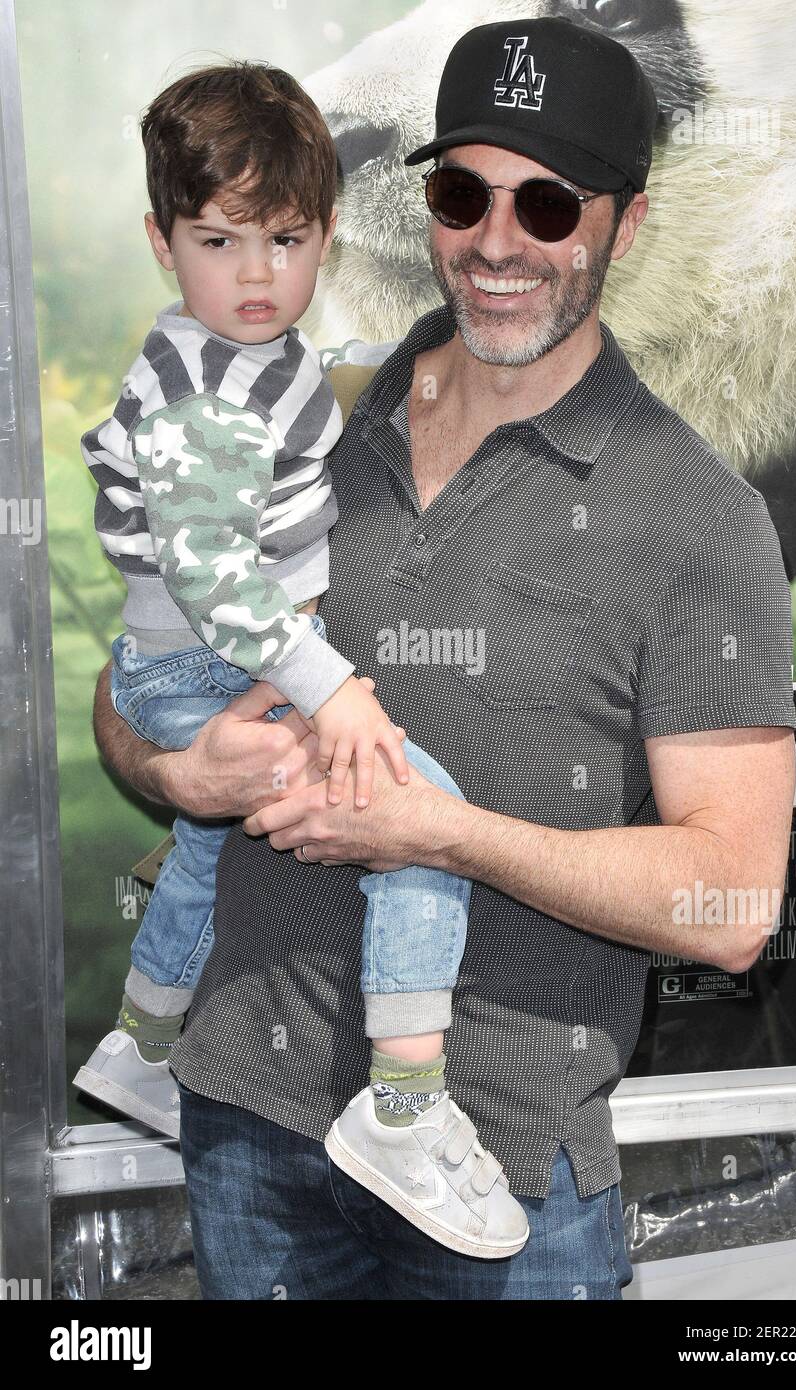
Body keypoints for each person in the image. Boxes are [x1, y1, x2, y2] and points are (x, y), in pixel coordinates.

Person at [93, 17, 796, 1300]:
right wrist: (179, 774)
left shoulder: (695, 517)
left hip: (499, 1187)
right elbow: (141, 669)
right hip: (245, 1134)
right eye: (463, 192)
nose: (496, 243)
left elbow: (734, 906)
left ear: (622, 227)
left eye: (547, 204)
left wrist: (441, 834)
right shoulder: (311, 405)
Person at [75, 57, 530, 1259]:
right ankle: (404, 1106)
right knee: (418, 814)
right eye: (218, 241)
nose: (257, 275)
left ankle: (143, 1040)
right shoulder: (198, 394)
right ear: (161, 240)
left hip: (212, 666)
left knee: (203, 843)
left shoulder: (249, 356)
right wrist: (333, 685)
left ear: (326, 233)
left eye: (283, 239)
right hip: (209, 666)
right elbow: (220, 582)